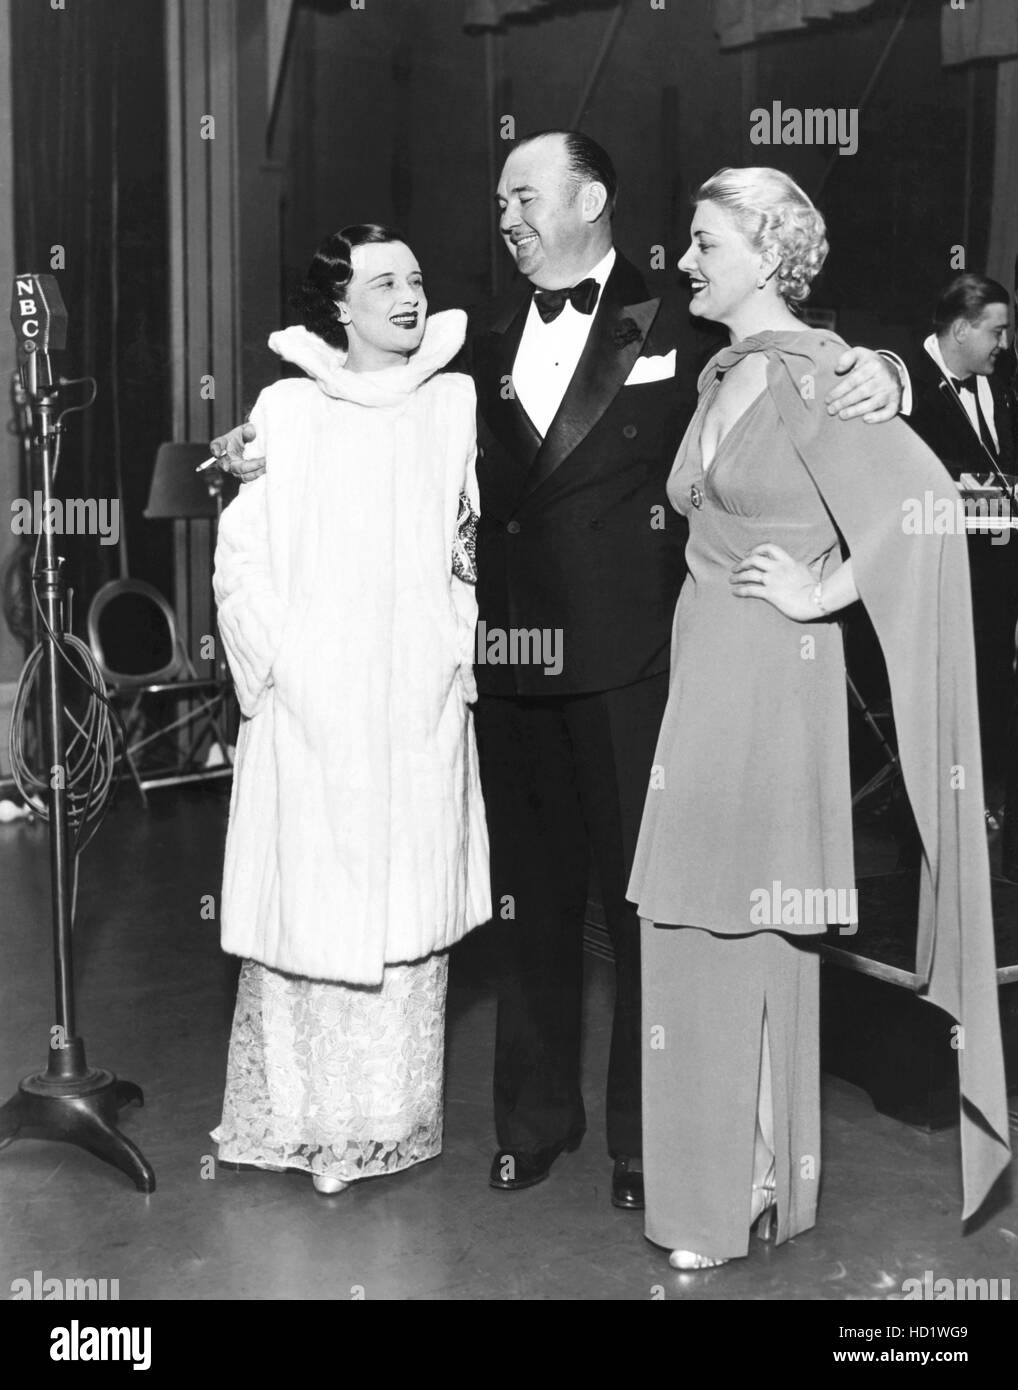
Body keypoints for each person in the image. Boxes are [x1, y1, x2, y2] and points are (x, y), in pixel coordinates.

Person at [211, 131, 902, 1212]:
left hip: (635, 667)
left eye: (523, 196)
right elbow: (360, 430)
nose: (505, 218)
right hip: (511, 671)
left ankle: (642, 1137)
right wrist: (244, 450)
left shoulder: (687, 319)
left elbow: (806, 349)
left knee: (640, 912)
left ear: (590, 198)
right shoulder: (475, 350)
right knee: (525, 908)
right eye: (496, 201)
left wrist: (886, 366)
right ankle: (533, 1122)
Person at [627, 168, 1010, 1269]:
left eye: (705, 243)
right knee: (696, 928)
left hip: (769, 677)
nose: (687, 261)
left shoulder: (812, 372)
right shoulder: (725, 374)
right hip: (704, 675)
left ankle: (725, 1200)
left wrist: (819, 591)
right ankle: (746, 1190)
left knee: (732, 927)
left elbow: (928, 506)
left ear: (762, 252)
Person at [210, 225, 491, 1195]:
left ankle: (384, 1123)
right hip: (310, 712)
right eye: (383, 282)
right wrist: (279, 669)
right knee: (314, 919)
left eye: (416, 277)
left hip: (416, 705)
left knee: (403, 916)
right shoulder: (284, 413)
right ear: (338, 304)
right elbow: (240, 556)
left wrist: (454, 658)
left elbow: (466, 549)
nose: (408, 295)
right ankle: (305, 1123)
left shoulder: (452, 403)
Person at [903, 274, 1018, 876]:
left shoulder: (1001, 385)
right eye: (996, 331)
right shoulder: (902, 381)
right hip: (934, 574)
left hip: (996, 579)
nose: (1003, 343)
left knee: (991, 697)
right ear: (961, 327)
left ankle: (979, 815)